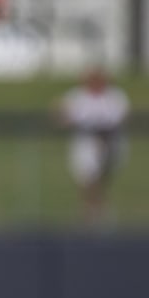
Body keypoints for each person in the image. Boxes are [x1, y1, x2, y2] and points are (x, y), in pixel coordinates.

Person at [54, 67, 129, 229]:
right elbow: (61, 116)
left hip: (109, 141)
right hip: (85, 142)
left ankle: (96, 212)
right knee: (88, 179)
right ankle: (92, 214)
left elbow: (119, 119)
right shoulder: (76, 96)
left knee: (101, 179)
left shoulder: (114, 97)